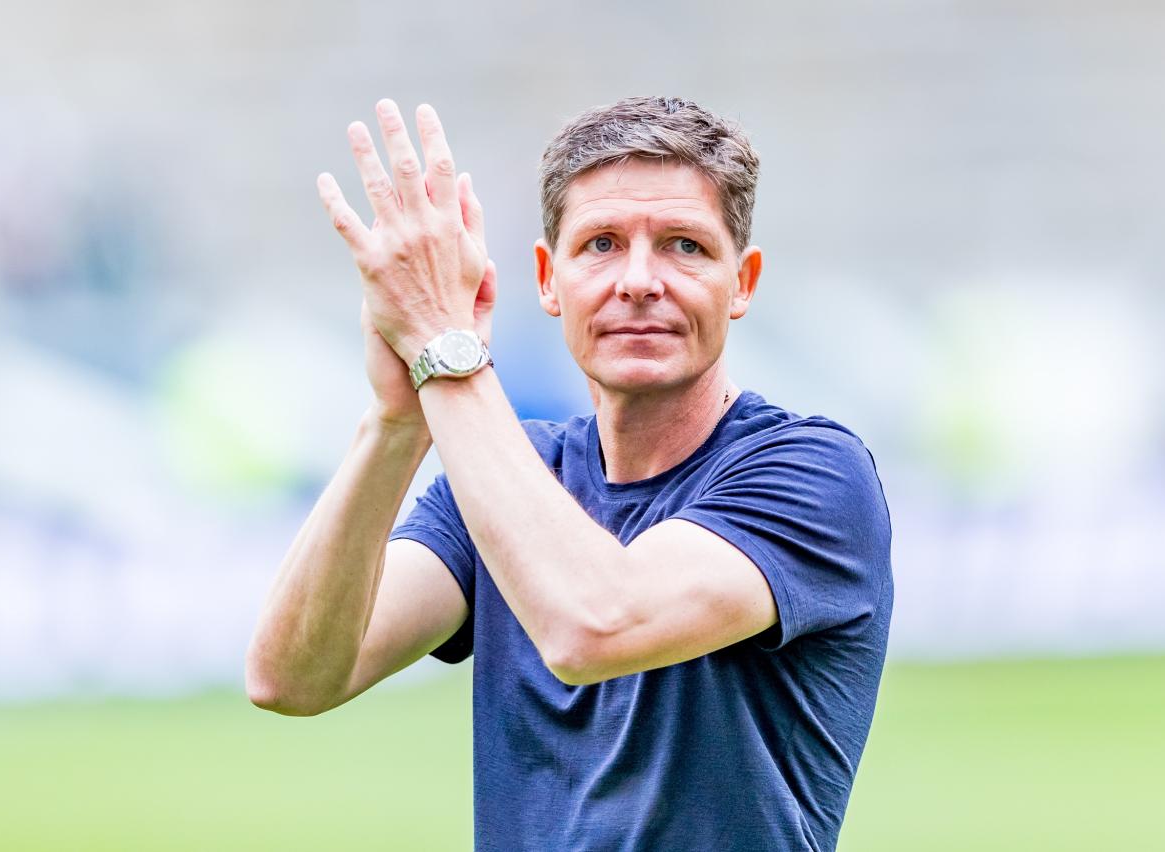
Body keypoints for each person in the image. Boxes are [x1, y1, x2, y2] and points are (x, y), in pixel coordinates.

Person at [246, 95, 893, 851]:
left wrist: (446, 351)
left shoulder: (814, 473)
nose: (640, 280)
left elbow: (595, 623)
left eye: (684, 245)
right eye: (602, 244)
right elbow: (293, 677)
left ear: (741, 282)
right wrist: (397, 422)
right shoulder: (509, 476)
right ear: (549, 280)